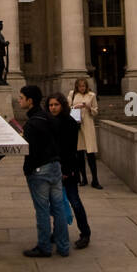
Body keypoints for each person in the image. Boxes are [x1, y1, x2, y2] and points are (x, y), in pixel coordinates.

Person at [18, 85, 70, 258]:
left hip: (40, 169)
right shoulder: (49, 118)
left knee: (42, 210)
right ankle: (63, 247)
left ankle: (44, 247)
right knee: (59, 208)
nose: (19, 100)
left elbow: (31, 151)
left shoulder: (33, 123)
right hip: (55, 166)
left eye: (21, 98)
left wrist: (27, 170)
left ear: (30, 100)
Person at [47, 93, 90, 249]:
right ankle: (58, 232)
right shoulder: (50, 122)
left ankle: (85, 233)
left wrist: (66, 170)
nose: (53, 108)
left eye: (56, 105)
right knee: (57, 204)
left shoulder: (69, 122)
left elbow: (69, 149)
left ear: (62, 105)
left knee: (74, 201)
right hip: (54, 168)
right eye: (51, 105)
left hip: (68, 168)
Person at [70, 77, 101, 189]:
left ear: (86, 86)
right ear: (77, 87)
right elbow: (68, 109)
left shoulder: (91, 95)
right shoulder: (72, 94)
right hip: (77, 126)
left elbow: (96, 111)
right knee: (79, 155)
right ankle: (83, 178)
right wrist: (75, 107)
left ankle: (95, 179)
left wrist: (88, 107)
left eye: (83, 86)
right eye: (79, 86)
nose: (82, 88)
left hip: (88, 126)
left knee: (91, 154)